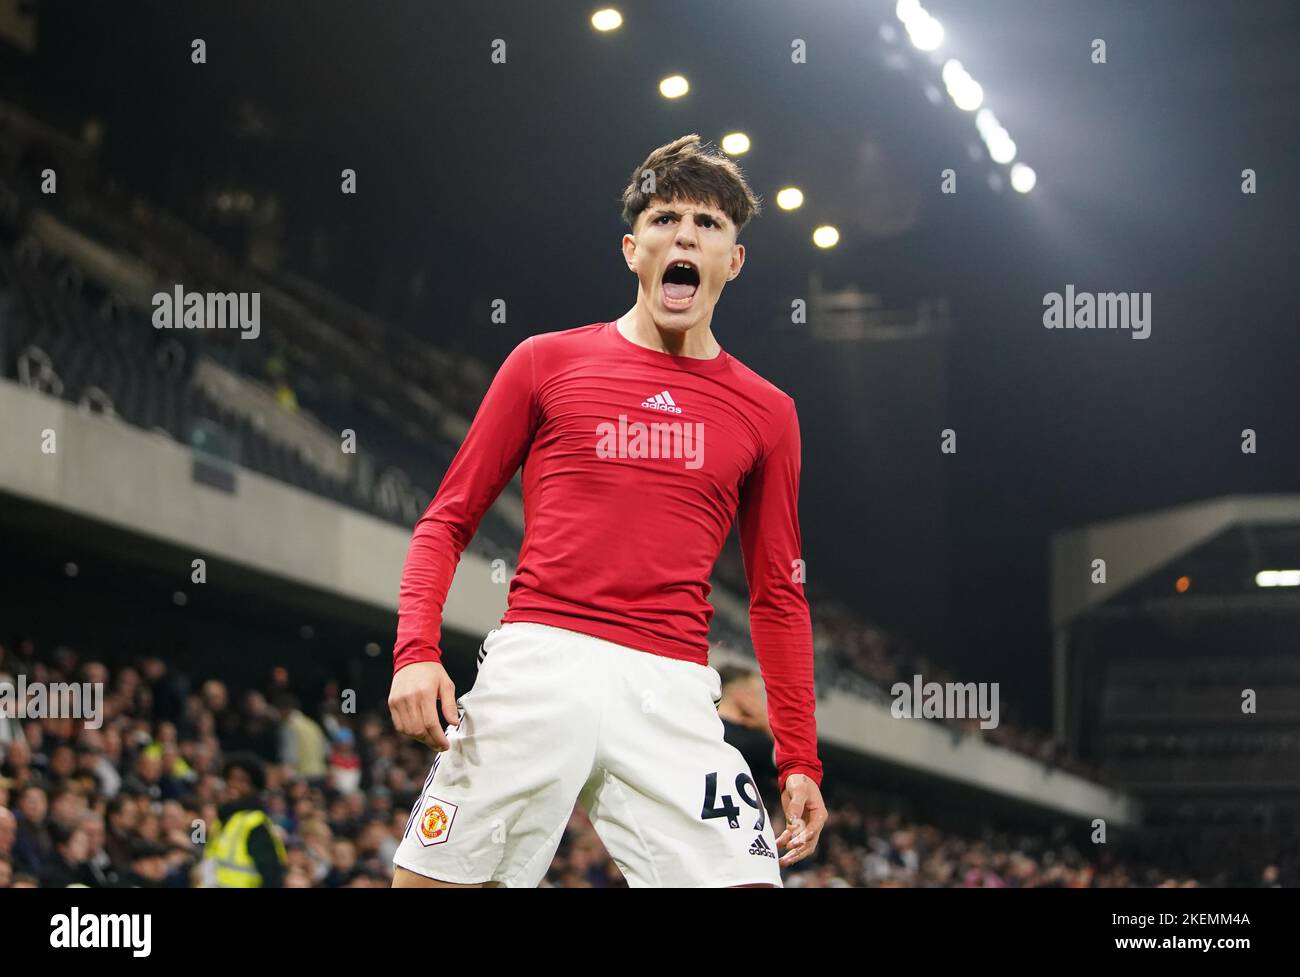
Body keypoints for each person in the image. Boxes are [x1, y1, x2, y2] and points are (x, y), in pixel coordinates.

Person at [389, 134, 825, 888]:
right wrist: (415, 649)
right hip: (538, 663)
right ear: (632, 249)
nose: (685, 233)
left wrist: (798, 756)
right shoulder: (543, 362)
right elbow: (447, 519)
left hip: (673, 689)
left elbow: (778, 593)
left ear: (734, 259)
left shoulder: (769, 412)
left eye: (709, 223)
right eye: (664, 219)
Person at [202, 753, 286, 888]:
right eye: (230, 778)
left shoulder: (255, 823)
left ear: (254, 788)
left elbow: (272, 875)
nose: (233, 784)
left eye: (242, 781)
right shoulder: (223, 820)